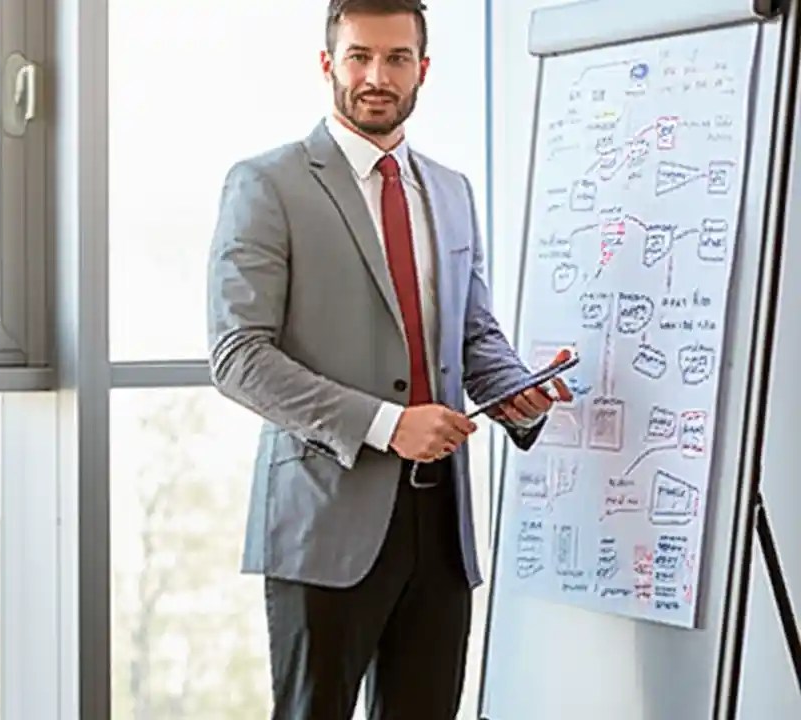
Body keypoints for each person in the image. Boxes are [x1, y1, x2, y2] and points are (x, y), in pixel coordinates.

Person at [206, 1, 574, 718]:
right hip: (324, 525)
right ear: (328, 64)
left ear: (423, 70)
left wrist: (516, 391)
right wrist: (385, 423)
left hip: (440, 534)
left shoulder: (451, 190)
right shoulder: (267, 185)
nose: (378, 75)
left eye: (397, 58)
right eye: (360, 56)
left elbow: (470, 335)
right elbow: (238, 355)